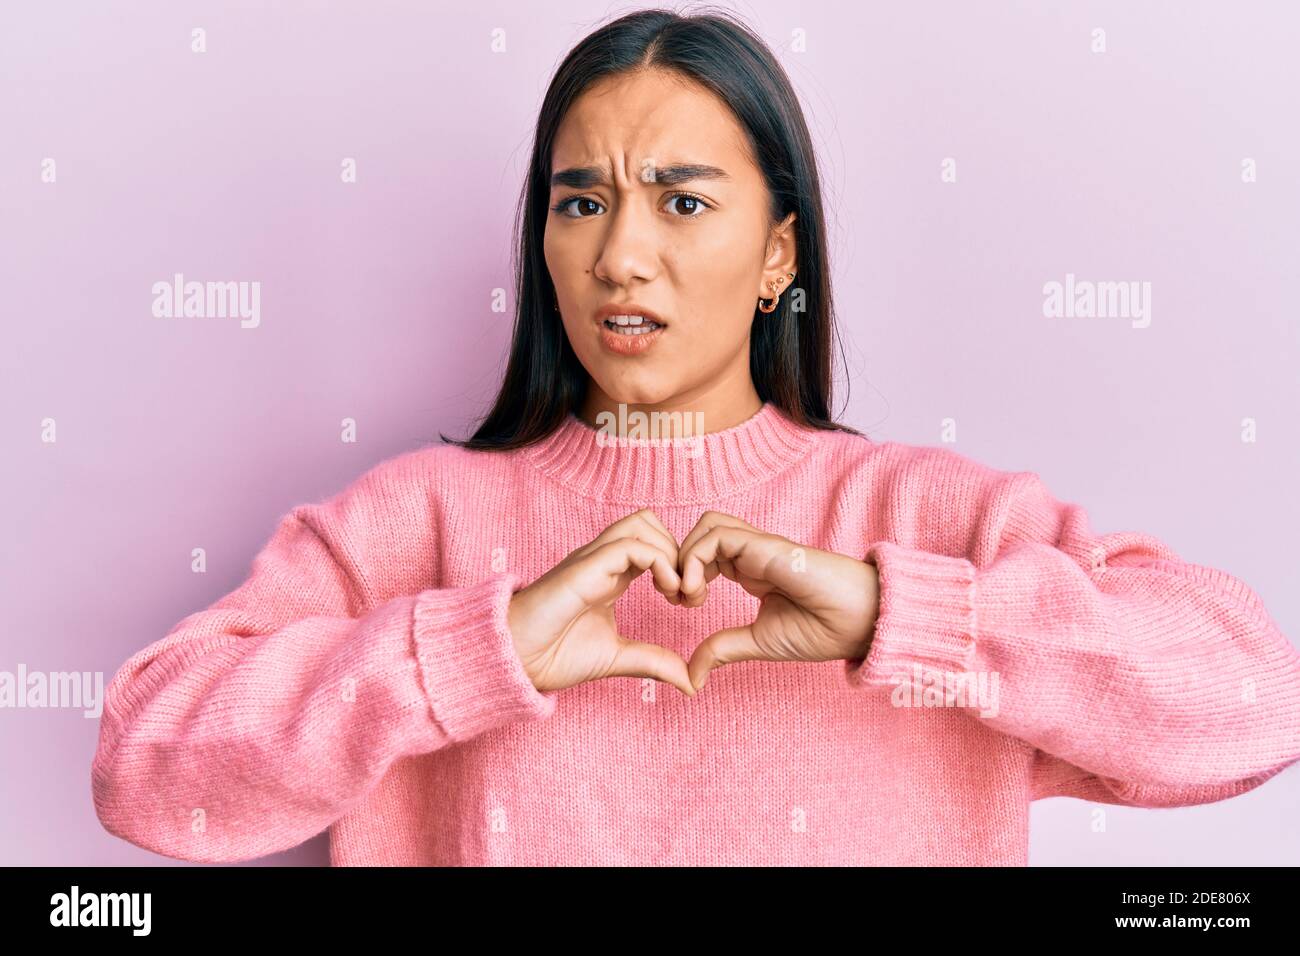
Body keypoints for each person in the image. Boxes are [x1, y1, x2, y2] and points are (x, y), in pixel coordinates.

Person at [91, 8, 1300, 866]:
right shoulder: (412, 523)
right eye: (581, 201)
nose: (620, 253)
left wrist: (910, 618)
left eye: (681, 200)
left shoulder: (937, 522)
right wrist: (465, 655)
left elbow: (1256, 702)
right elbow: (145, 771)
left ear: (780, 251)